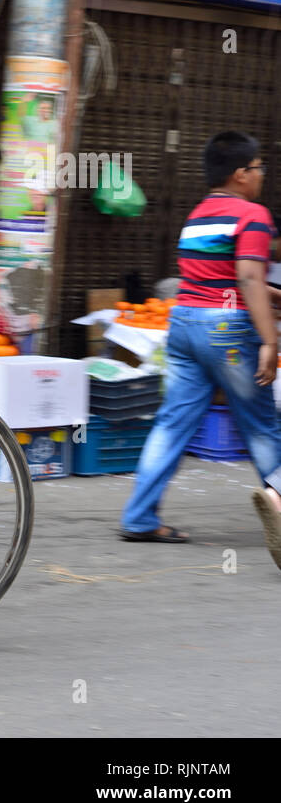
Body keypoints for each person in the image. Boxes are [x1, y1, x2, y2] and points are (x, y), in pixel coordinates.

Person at [119, 130, 281, 560]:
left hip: (184, 325)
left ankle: (139, 518)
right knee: (261, 425)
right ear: (241, 174)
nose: (262, 174)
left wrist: (269, 295)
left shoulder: (197, 216)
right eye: (259, 166)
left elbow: (216, 277)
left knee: (172, 423)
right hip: (227, 332)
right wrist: (269, 338)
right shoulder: (253, 215)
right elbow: (246, 278)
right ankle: (279, 502)